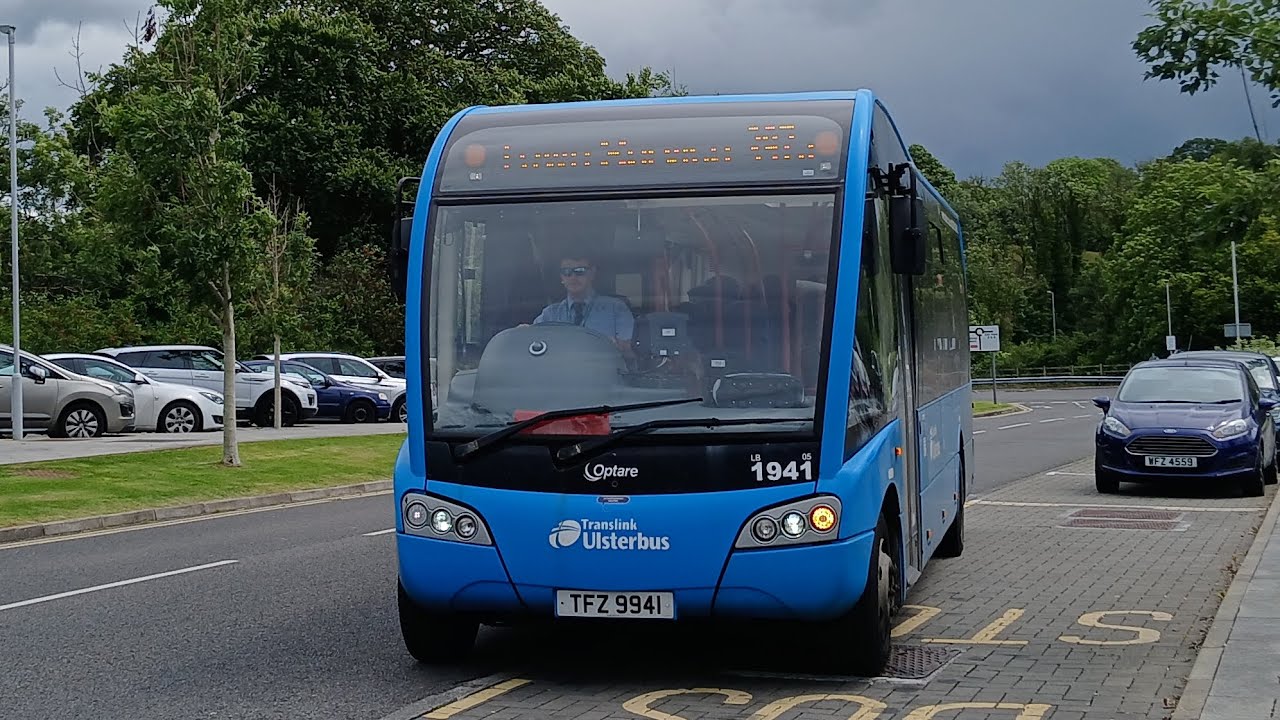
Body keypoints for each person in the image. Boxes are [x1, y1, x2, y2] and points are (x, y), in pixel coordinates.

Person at [532, 253, 634, 350]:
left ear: (592, 273)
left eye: (580, 271)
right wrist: (523, 332)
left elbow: (629, 353)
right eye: (566, 272)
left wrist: (615, 347)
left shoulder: (616, 309)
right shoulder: (549, 315)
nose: (573, 277)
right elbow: (531, 343)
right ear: (561, 277)